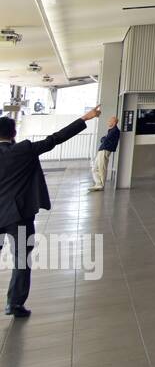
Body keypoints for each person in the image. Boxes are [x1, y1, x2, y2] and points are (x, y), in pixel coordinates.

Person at [0, 105, 100, 317]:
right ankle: (14, 304)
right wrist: (85, 118)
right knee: (20, 261)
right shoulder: (24, 149)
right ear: (14, 133)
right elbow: (55, 139)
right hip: (19, 217)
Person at [89, 115, 120, 191]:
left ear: (114, 122)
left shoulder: (115, 131)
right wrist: (104, 139)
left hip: (105, 150)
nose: (108, 122)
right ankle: (98, 184)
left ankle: (101, 185)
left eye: (110, 121)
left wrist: (104, 139)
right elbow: (103, 139)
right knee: (94, 168)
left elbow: (105, 140)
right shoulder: (111, 130)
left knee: (102, 168)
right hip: (102, 150)